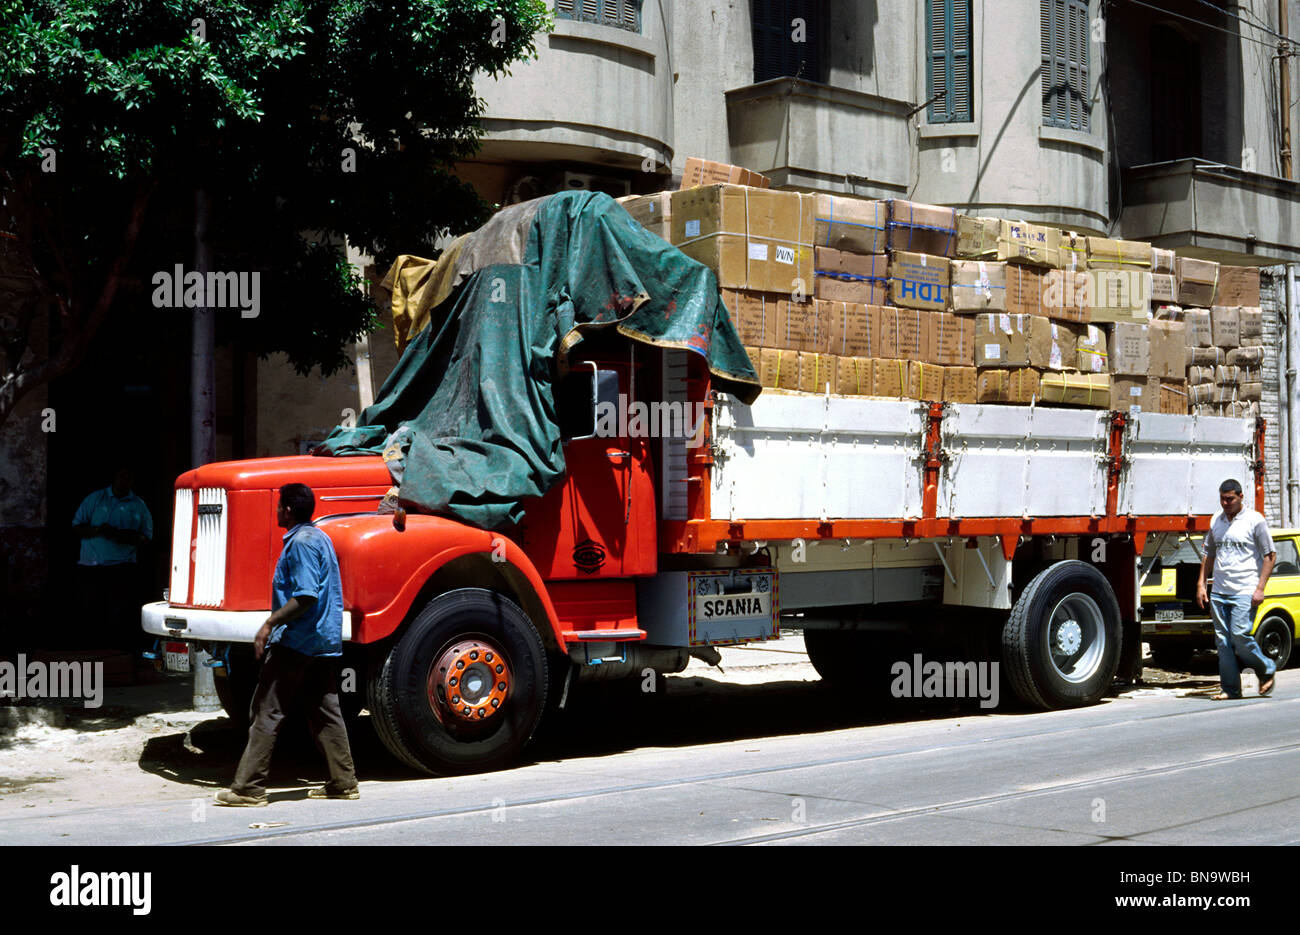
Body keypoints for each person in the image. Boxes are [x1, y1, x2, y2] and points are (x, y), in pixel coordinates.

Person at [215, 483, 358, 806]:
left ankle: (248, 788)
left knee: (266, 710)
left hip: (298, 641)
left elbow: (305, 596)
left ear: (288, 510)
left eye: (279, 506)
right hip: (321, 641)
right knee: (326, 712)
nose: (277, 511)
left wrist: (269, 624)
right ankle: (343, 782)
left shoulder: (302, 543)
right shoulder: (319, 537)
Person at [1196, 478, 1277, 700]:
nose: (1225, 503)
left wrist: (1260, 588)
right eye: (1222, 498)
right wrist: (1201, 584)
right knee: (1222, 641)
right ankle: (1230, 689)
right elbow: (1209, 554)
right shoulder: (1216, 520)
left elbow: (1270, 555)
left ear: (1241, 497)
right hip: (1220, 591)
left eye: (1230, 499)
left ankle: (1267, 667)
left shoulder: (1255, 520)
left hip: (1245, 589)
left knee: (1240, 636)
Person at [71, 466, 153, 652]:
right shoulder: (96, 499)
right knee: (90, 611)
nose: (124, 480)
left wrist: (118, 535)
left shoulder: (138, 505)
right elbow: (76, 527)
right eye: (121, 476)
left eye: (129, 477)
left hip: (122, 567)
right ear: (114, 478)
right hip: (91, 566)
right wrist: (99, 530)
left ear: (132, 481)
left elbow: (146, 538)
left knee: (119, 614)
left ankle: (116, 655)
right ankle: (91, 653)